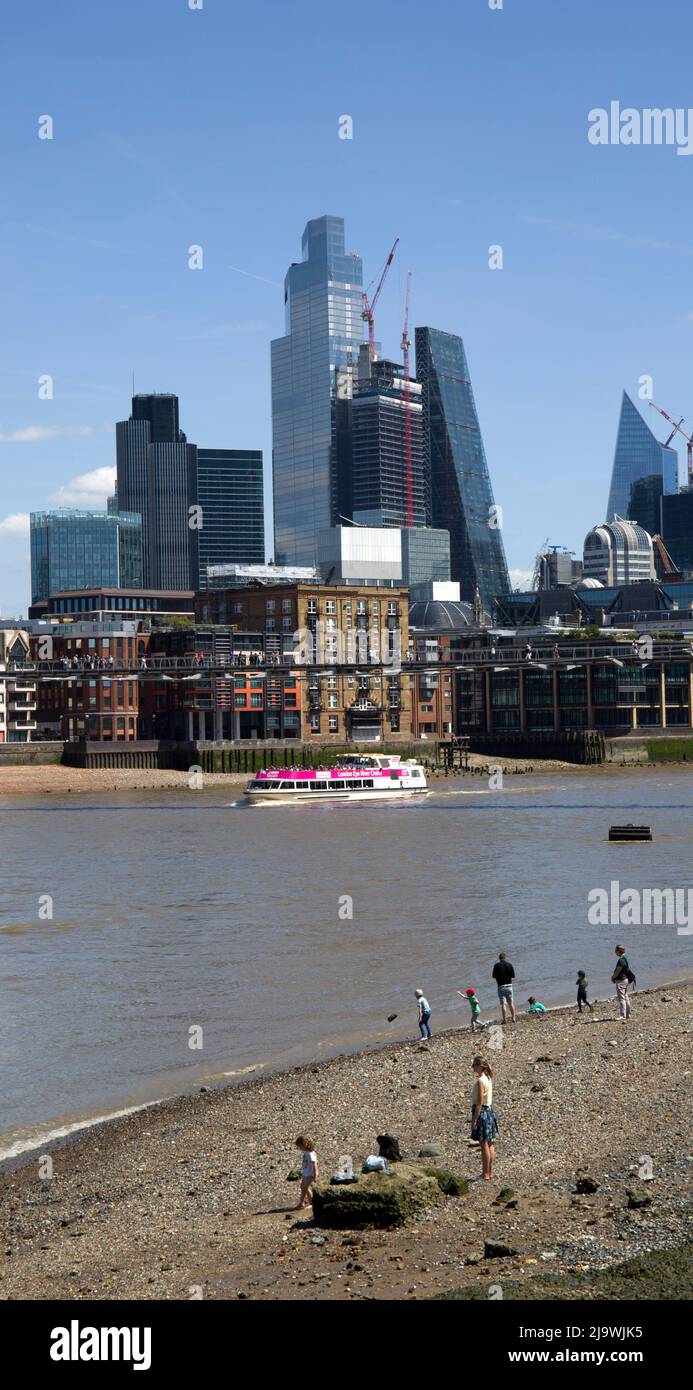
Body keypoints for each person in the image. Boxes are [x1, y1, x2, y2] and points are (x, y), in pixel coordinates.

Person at [470, 1057, 498, 1181]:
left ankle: (485, 1173)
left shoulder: (481, 1080)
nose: (472, 1067)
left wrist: (474, 1119)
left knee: (484, 1144)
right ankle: (489, 1172)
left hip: (483, 1113)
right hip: (489, 1111)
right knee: (490, 1143)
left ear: (480, 1066)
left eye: (474, 1065)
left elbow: (480, 1102)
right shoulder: (488, 1078)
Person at [294, 1136, 319, 1210]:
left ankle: (301, 1203)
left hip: (311, 1173)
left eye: (300, 1146)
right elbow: (305, 1162)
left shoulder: (311, 1153)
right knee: (303, 1187)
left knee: (305, 1188)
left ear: (304, 1144)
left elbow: (315, 1164)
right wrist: (301, 1170)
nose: (299, 1148)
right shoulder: (306, 1152)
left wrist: (315, 1175)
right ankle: (312, 1203)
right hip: (306, 1173)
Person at [492, 952, 516, 1024]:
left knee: (503, 1004)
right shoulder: (509, 965)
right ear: (505, 958)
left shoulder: (496, 965)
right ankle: (513, 1018)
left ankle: (504, 1020)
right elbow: (513, 975)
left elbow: (493, 976)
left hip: (501, 986)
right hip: (509, 986)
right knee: (511, 1002)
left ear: (499, 958)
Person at [612, 945, 634, 1020]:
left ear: (618, 951)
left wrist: (613, 977)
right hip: (625, 980)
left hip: (621, 980)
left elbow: (617, 971)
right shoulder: (625, 958)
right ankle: (628, 1014)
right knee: (625, 997)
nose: (615, 952)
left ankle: (622, 1015)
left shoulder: (621, 960)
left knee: (621, 998)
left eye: (616, 951)